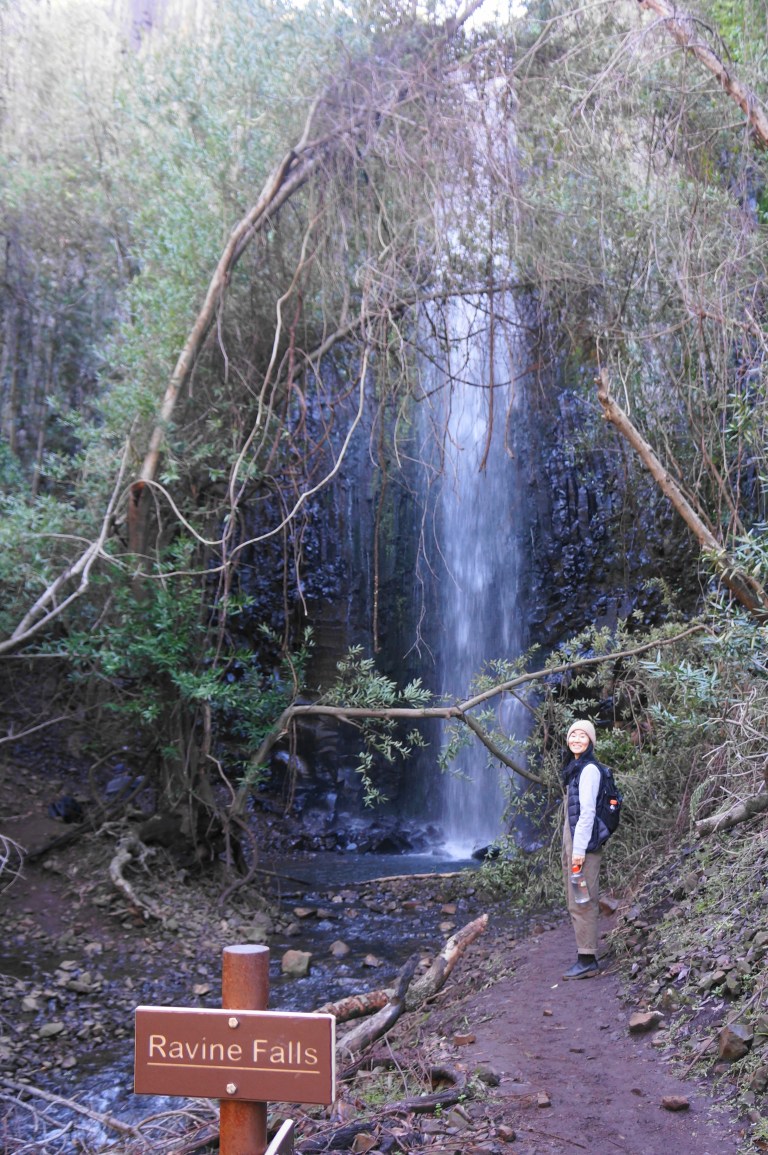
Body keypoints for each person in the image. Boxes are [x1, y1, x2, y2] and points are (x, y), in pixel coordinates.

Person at [561, 719, 602, 979]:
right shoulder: (575, 768)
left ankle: (587, 959)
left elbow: (587, 813)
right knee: (576, 897)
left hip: (582, 844)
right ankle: (584, 955)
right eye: (572, 734)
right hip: (574, 841)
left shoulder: (589, 770)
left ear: (590, 741)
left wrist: (578, 850)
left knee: (583, 899)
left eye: (582, 735)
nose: (576, 738)